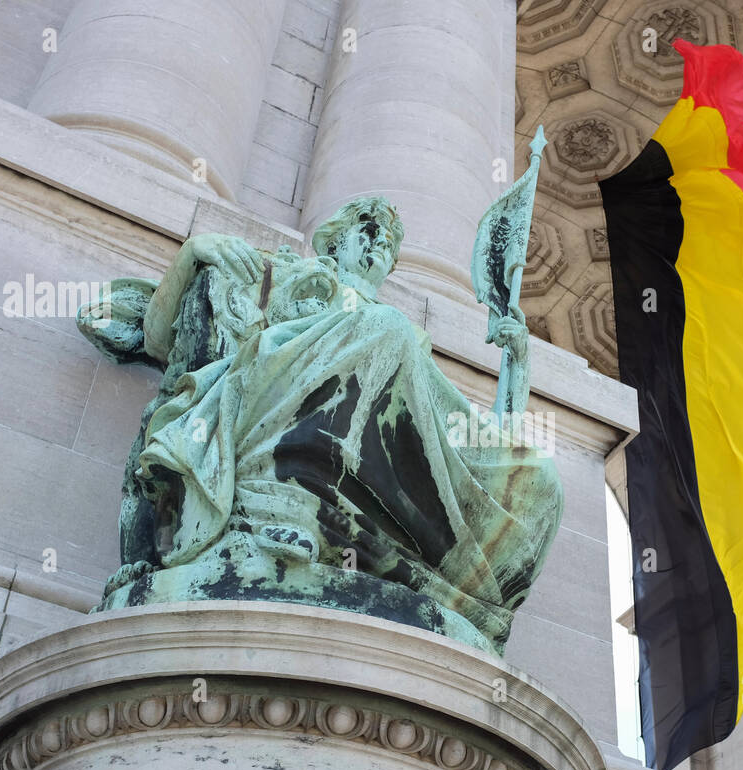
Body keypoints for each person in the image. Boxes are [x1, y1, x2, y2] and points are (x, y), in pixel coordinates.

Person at [77, 197, 562, 655]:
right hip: (276, 404)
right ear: (334, 241)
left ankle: (411, 571)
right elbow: (162, 341)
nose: (378, 246)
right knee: (387, 330)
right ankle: (284, 507)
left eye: (388, 245)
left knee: (543, 484)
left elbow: (465, 444)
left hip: (387, 450)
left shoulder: (403, 339)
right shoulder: (290, 276)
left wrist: (517, 365)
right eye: (368, 232)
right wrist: (192, 255)